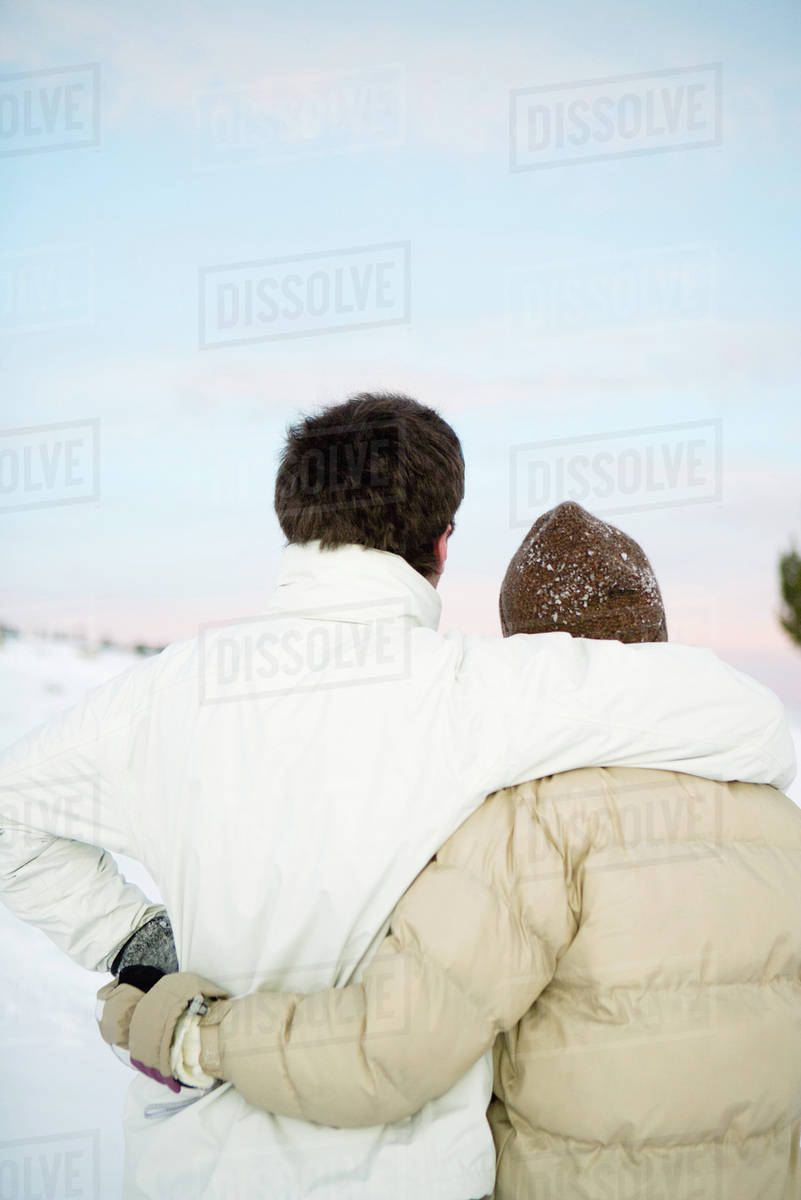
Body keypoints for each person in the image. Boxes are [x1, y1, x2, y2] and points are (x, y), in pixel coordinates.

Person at [0, 394, 793, 1200]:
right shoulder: (477, 693)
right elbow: (750, 721)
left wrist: (136, 939)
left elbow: (9, 817)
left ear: (294, 522)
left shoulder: (163, 696)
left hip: (191, 1166)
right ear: (442, 543)